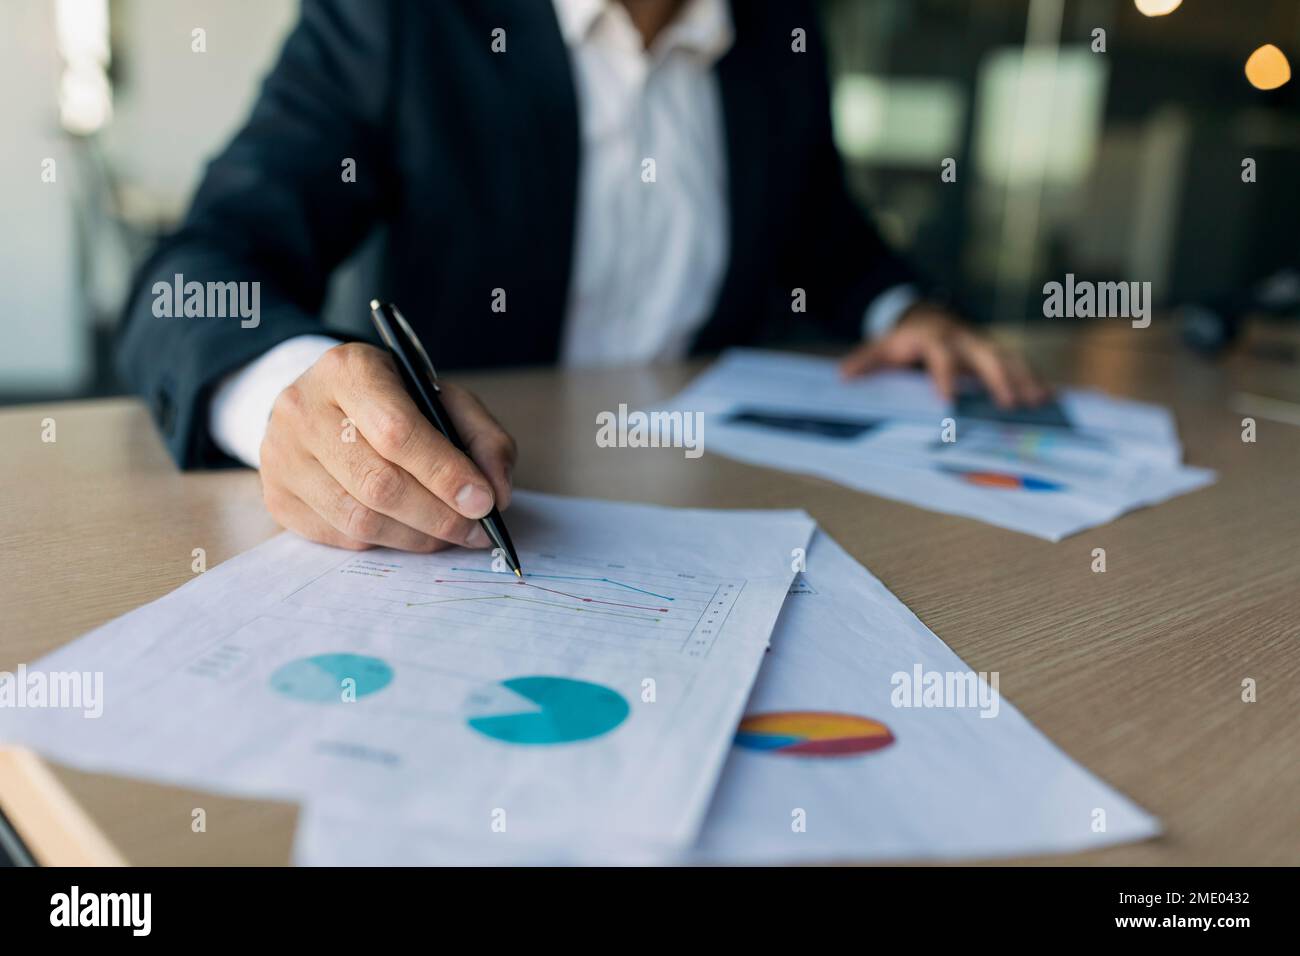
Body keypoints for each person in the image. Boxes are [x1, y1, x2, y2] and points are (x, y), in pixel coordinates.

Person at [117, 0, 1044, 554]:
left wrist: (904, 306)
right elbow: (194, 274)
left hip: (721, 501)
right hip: (481, 518)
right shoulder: (398, 18)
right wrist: (283, 392)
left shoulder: (778, 25)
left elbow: (819, 222)